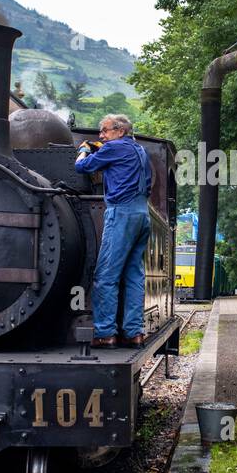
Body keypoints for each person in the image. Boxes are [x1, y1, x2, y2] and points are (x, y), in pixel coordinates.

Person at [75, 114, 152, 348]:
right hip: (142, 214)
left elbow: (81, 167)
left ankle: (105, 332)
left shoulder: (114, 148)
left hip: (121, 213)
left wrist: (85, 149)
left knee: (106, 276)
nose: (101, 136)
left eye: (105, 131)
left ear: (120, 131)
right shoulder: (140, 150)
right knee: (133, 275)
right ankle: (133, 332)